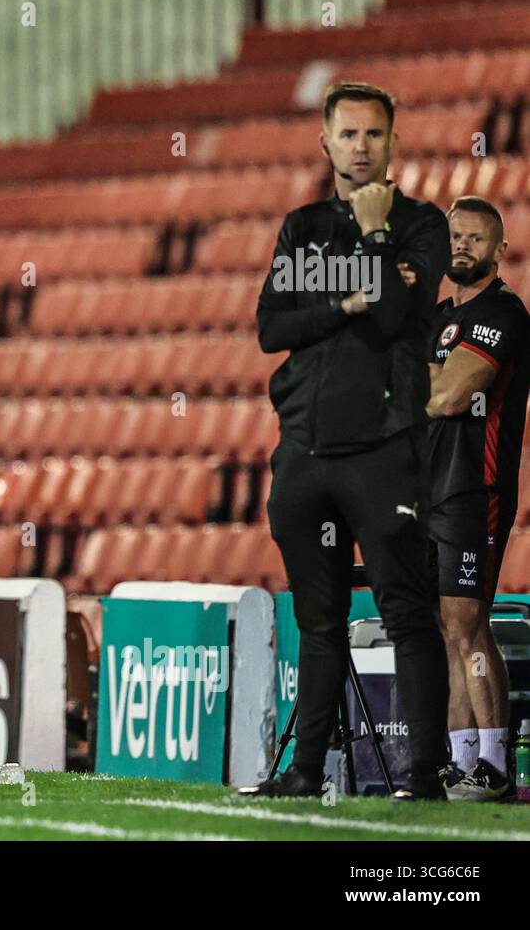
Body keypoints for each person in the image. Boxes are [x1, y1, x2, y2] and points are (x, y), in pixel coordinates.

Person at [241, 82, 451, 800]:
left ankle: (423, 777)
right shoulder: (301, 227)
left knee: (406, 612)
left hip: (386, 451)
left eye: (374, 134)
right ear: (324, 143)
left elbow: (396, 316)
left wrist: (376, 237)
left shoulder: (424, 226)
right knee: (319, 621)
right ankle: (304, 772)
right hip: (304, 450)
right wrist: (345, 301)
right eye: (348, 134)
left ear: (394, 143)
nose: (361, 147)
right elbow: (273, 327)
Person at [404, 196, 527, 800]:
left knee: (467, 621)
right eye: (455, 237)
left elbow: (451, 395)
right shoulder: (432, 317)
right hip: (427, 490)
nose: (462, 247)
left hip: (474, 488)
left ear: (499, 250)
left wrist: (412, 382)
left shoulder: (505, 313)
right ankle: (464, 761)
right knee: (443, 623)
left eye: (476, 239)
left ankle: (499, 766)